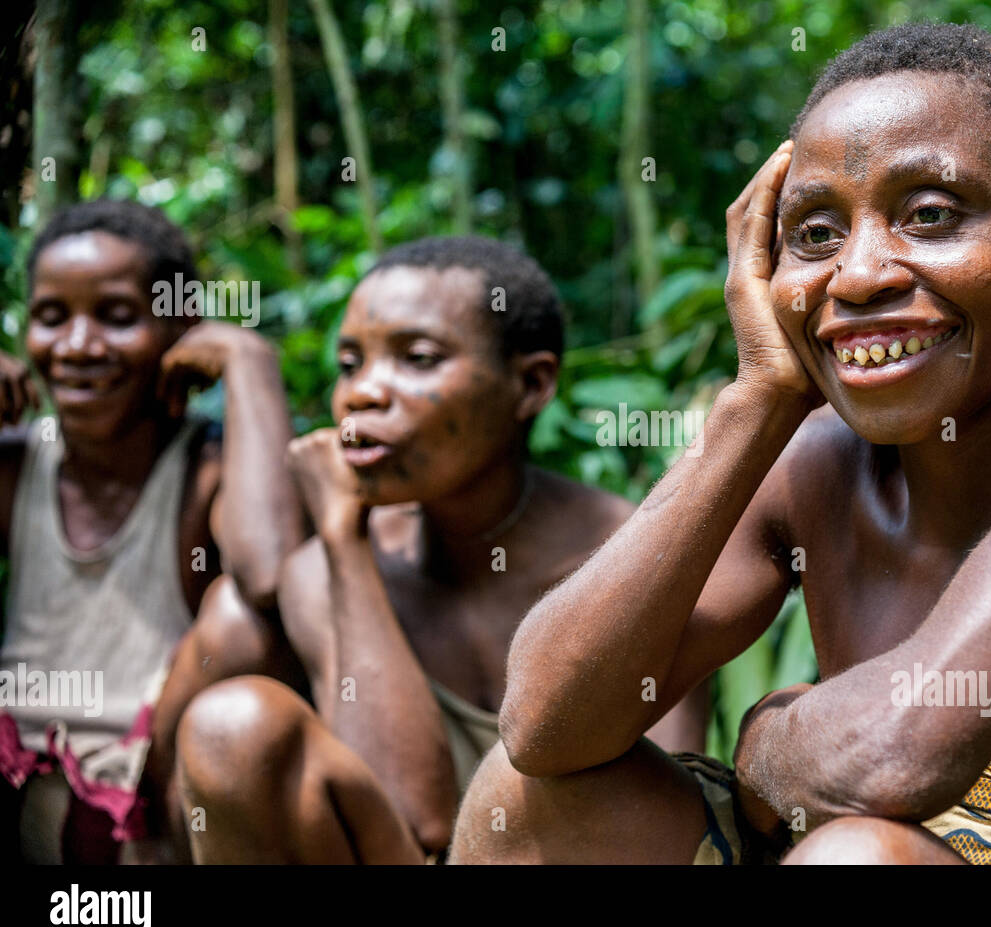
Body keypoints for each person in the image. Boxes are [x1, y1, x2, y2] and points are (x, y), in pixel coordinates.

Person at [449, 23, 991, 865]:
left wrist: (763, 736)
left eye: (929, 215)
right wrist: (757, 400)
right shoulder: (812, 461)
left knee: (854, 858)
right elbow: (544, 725)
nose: (857, 276)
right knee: (523, 805)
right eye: (815, 234)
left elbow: (896, 752)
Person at [175, 236, 710, 863]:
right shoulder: (336, 563)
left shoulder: (636, 551)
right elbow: (416, 819)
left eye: (417, 358)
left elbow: (673, 819)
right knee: (230, 723)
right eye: (350, 364)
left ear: (531, 385)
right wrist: (344, 544)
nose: (362, 393)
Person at [0, 199, 303, 863]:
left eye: (116, 316)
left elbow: (272, 570)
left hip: (156, 817)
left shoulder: (204, 471)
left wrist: (249, 360)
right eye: (52, 317)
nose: (78, 347)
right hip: (24, 792)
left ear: (180, 332)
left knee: (240, 624)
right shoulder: (18, 466)